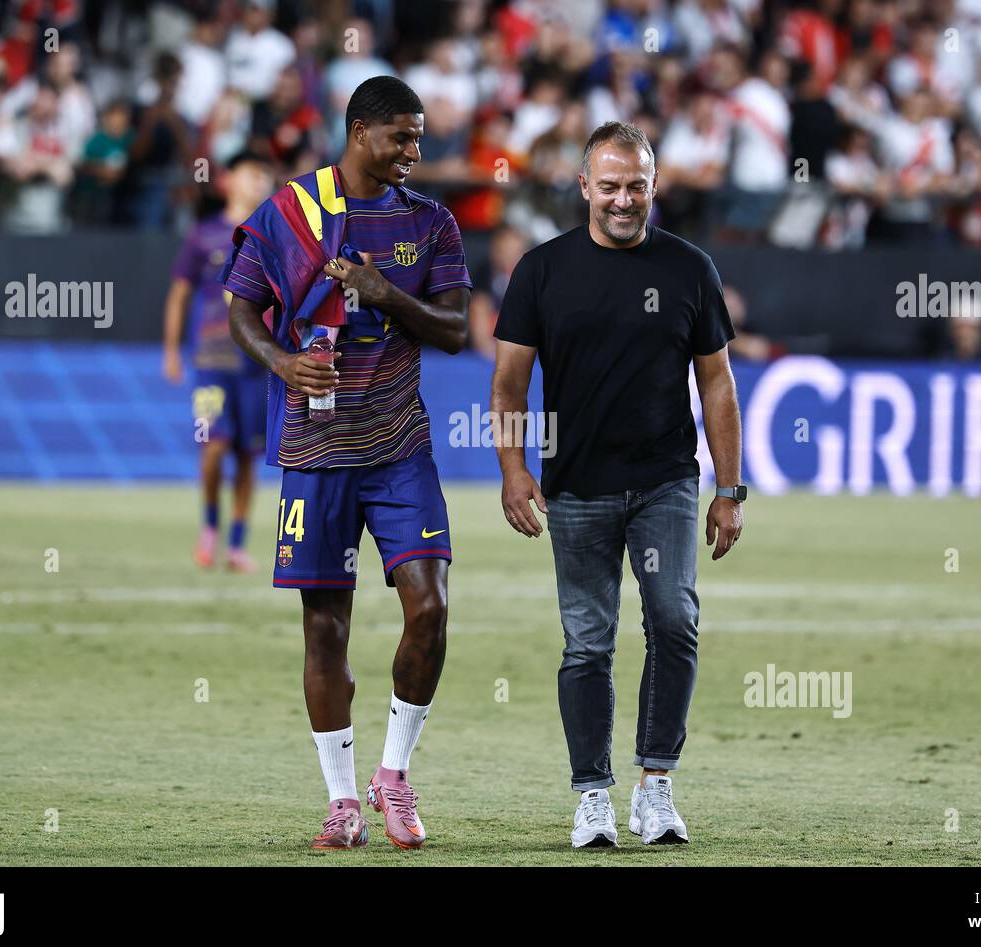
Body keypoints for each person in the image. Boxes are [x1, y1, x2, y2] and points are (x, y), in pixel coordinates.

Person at [222, 77, 471, 850]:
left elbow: (457, 330)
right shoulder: (291, 212)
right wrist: (284, 364)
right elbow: (241, 306)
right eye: (401, 136)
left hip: (399, 446)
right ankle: (340, 802)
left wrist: (384, 292)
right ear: (360, 131)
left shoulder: (431, 223)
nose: (414, 151)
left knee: (429, 607)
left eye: (419, 137)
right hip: (316, 449)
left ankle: (393, 776)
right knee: (325, 629)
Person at [490, 121, 744, 849]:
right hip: (574, 488)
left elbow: (717, 384)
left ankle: (655, 787)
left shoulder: (691, 268)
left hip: (665, 481)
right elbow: (508, 384)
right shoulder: (541, 271)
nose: (624, 199)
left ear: (654, 185)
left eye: (636, 185)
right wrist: (513, 470)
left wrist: (730, 488)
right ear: (583, 187)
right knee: (587, 644)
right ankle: (592, 795)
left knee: (674, 620)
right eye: (610, 186)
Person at [163, 151, 277, 573]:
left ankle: (236, 544)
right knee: (213, 445)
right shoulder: (204, 235)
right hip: (211, 361)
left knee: (249, 454)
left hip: (257, 362)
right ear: (229, 180)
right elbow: (179, 293)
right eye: (251, 174)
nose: (258, 183)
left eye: (264, 176)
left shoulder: (276, 237)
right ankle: (209, 526)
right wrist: (172, 350)